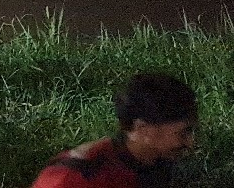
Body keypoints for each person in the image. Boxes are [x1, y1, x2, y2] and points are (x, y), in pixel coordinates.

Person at [30, 74, 197, 187]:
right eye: (182, 133)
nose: (190, 143)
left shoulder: (149, 162)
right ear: (143, 129)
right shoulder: (77, 177)